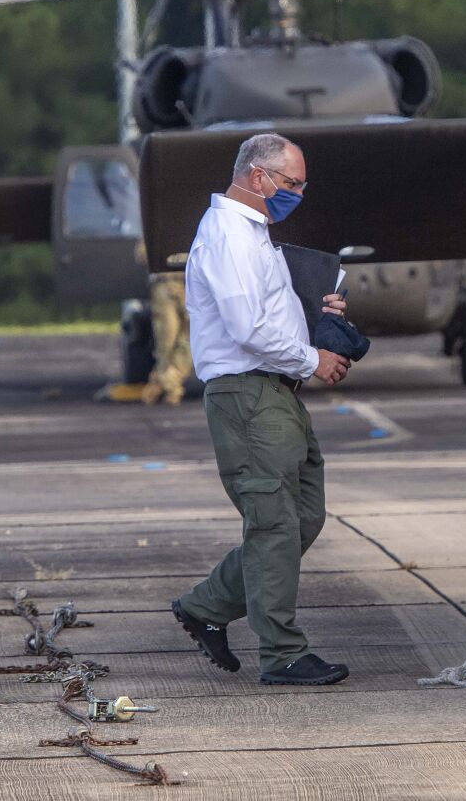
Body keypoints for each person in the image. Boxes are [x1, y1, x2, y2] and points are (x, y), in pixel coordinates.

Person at [170, 133, 353, 686]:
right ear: (257, 177)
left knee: (302, 516)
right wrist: (311, 358)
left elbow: (266, 314)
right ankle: (282, 655)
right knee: (274, 523)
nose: (297, 194)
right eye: (290, 183)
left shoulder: (254, 234)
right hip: (249, 393)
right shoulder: (230, 235)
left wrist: (319, 314)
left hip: (275, 390)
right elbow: (247, 329)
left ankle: (206, 605)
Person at [141, 272, 193, 406]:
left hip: (192, 283)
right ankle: (170, 384)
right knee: (166, 341)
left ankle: (165, 382)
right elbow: (143, 254)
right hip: (165, 283)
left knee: (189, 338)